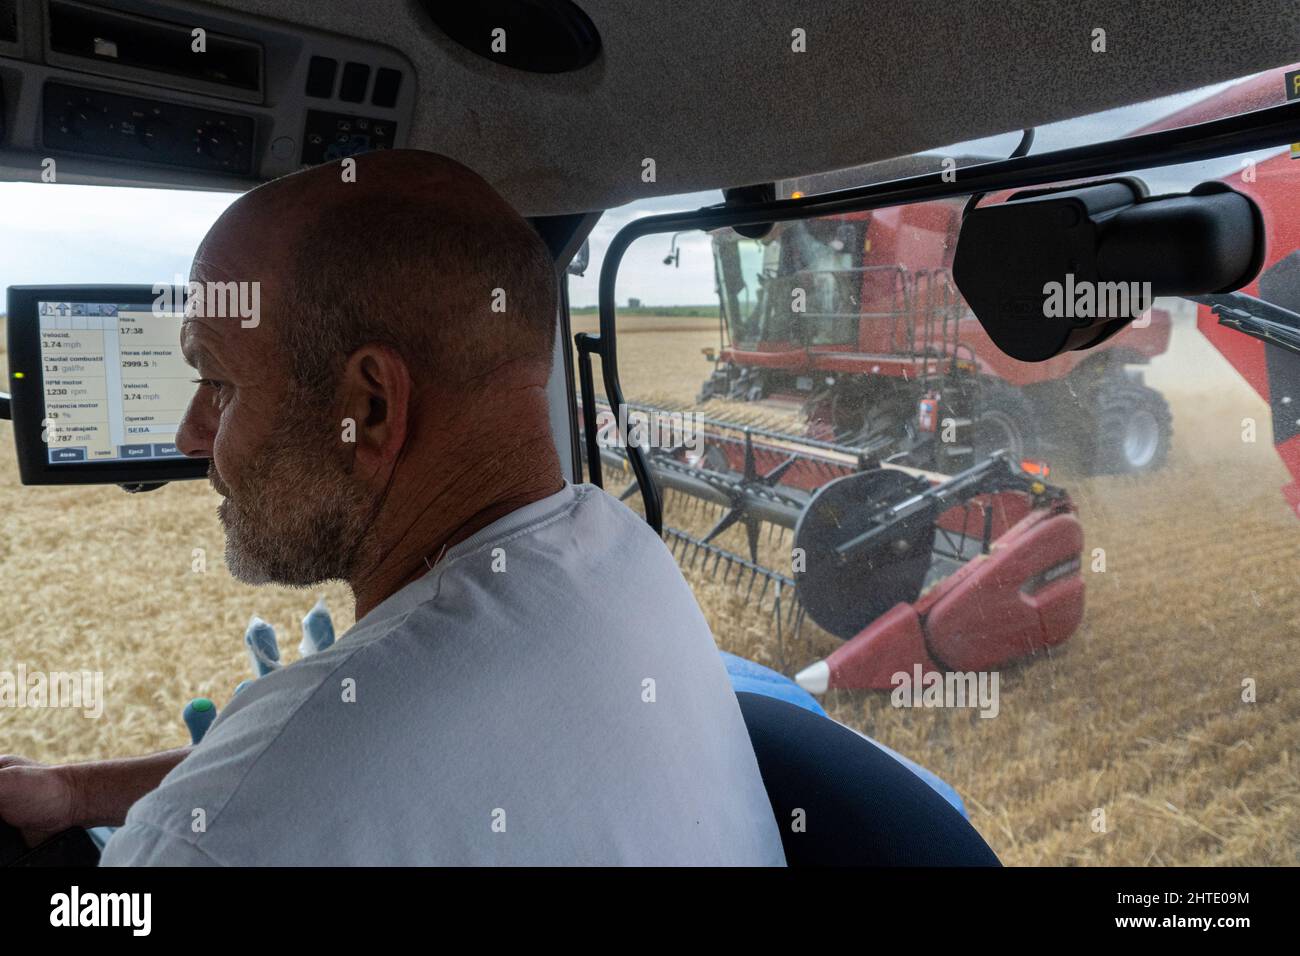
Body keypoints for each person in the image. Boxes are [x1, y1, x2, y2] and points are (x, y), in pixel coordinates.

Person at [0, 150, 786, 865]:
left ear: (370, 409)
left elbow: (276, 798)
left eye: (221, 386)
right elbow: (329, 774)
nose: (190, 434)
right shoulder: (621, 551)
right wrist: (72, 794)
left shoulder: (233, 837)